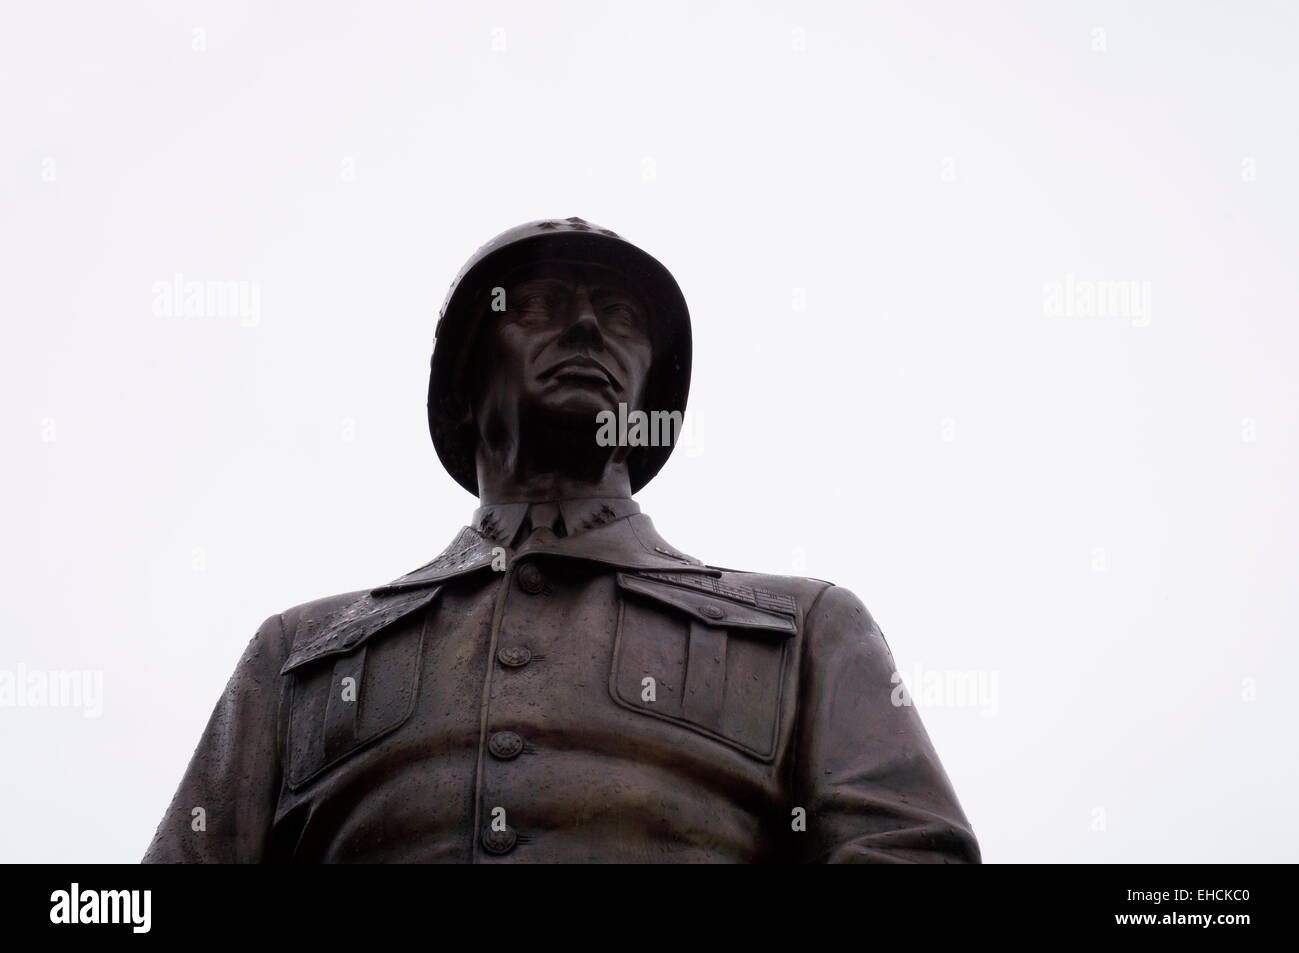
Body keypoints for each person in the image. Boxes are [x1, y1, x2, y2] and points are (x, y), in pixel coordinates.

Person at [143, 217, 980, 863]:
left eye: (618, 316)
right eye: (543, 305)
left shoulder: (807, 628)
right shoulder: (300, 655)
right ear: (466, 389)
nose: (587, 330)